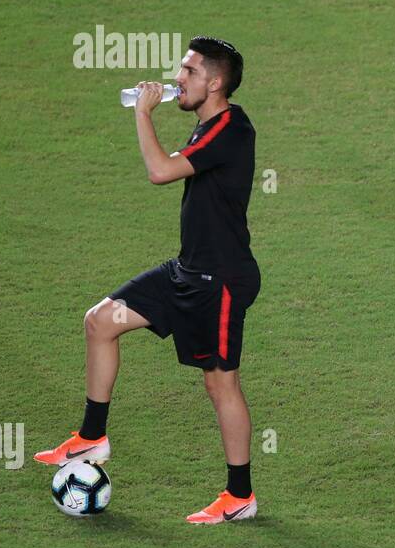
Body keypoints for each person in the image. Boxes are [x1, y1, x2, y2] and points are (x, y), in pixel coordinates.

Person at [35, 37, 264, 523]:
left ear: (215, 83)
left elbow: (161, 172)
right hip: (186, 272)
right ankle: (93, 437)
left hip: (219, 283)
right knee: (100, 321)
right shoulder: (209, 127)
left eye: (189, 70)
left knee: (221, 385)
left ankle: (239, 496)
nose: (177, 78)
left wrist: (143, 114)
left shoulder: (232, 128)